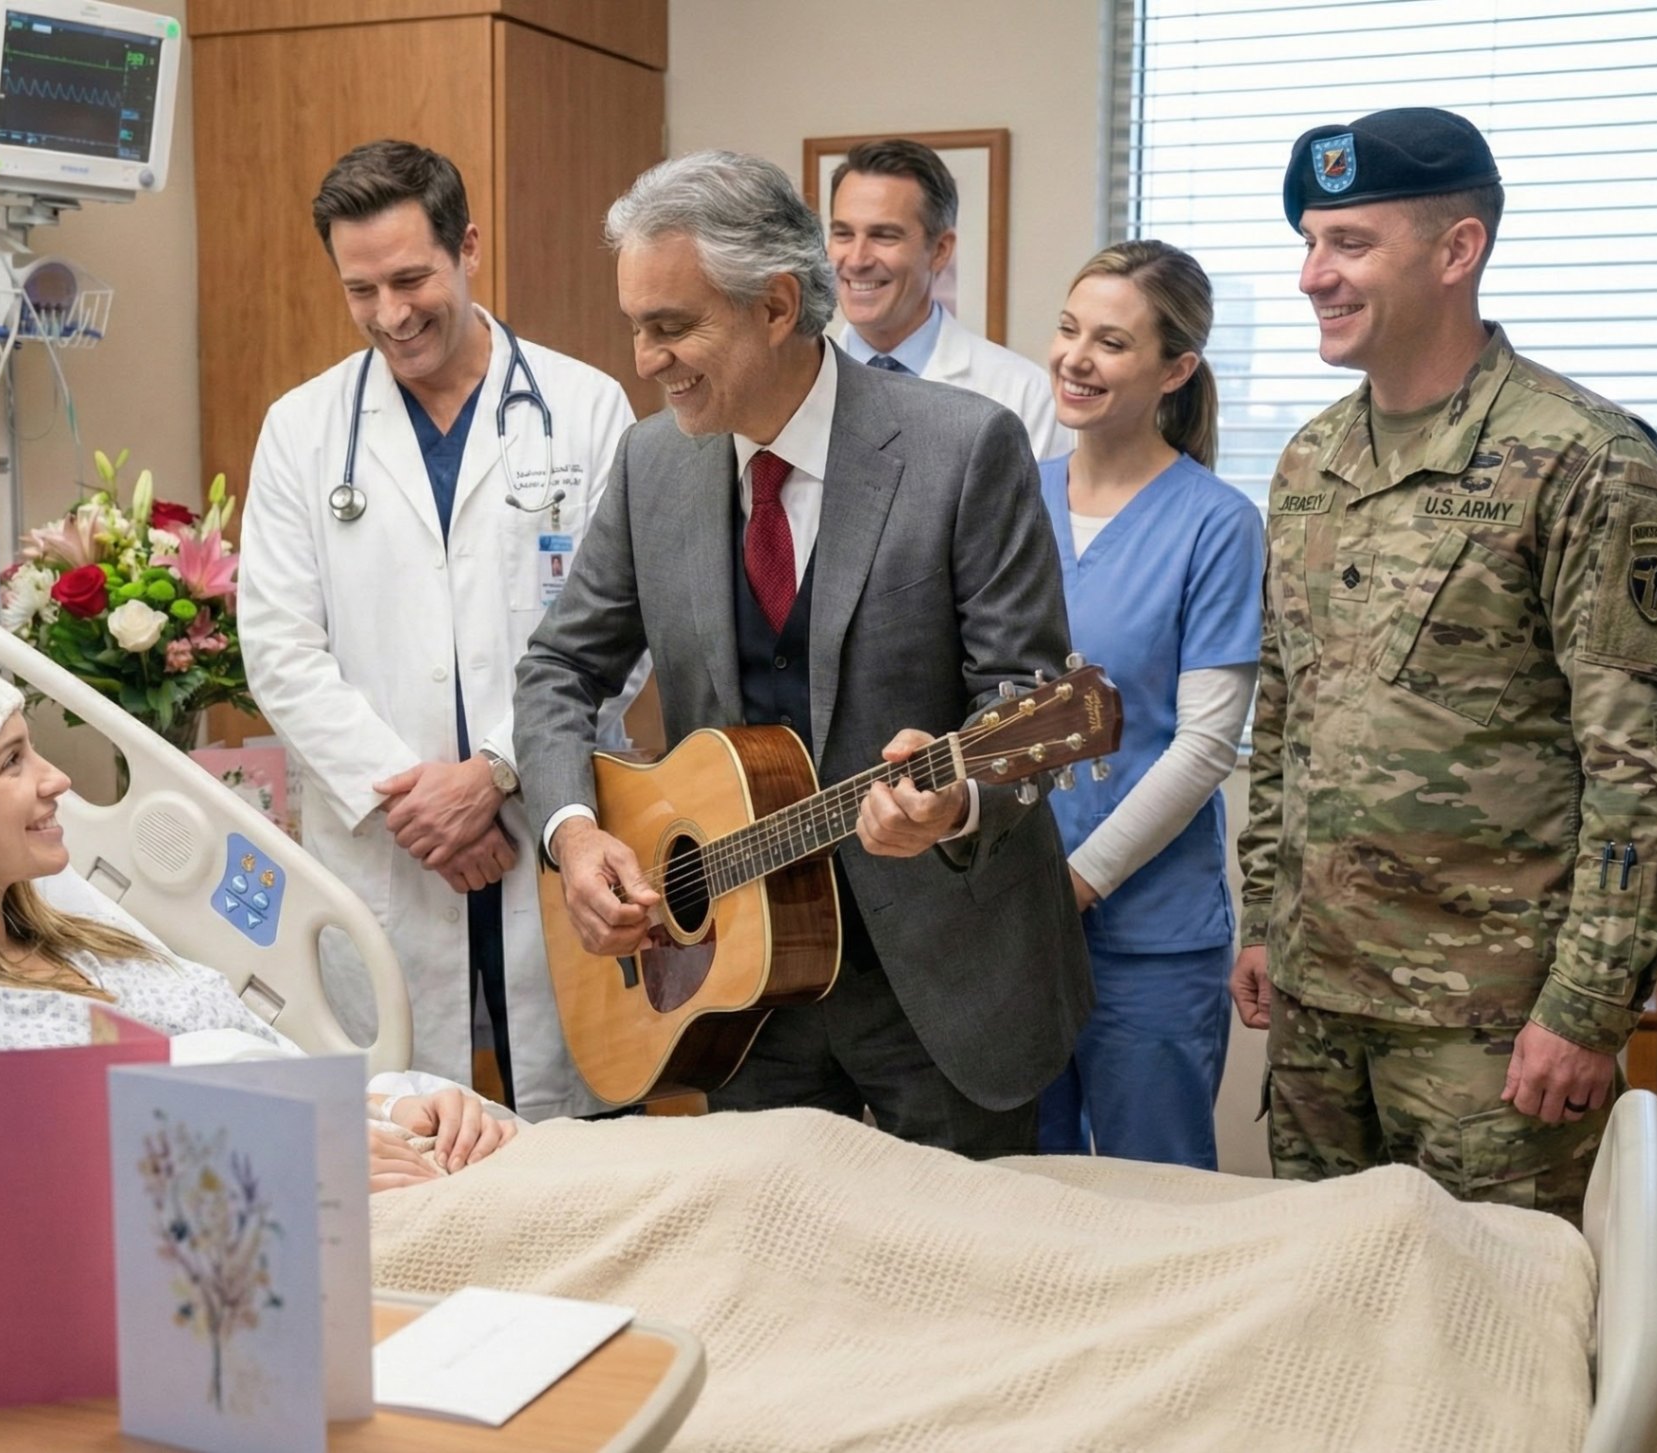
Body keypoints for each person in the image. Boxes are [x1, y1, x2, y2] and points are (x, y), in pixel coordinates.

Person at [512, 151, 1091, 1159]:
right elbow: (558, 670)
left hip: (941, 978)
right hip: (739, 985)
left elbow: (1025, 698)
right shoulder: (653, 463)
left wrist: (955, 799)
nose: (645, 360)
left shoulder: (965, 450)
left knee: (960, 1256)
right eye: (635, 325)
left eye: (671, 325)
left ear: (777, 306)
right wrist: (573, 831)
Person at [1231, 108, 1657, 1221]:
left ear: (1458, 250)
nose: (1312, 275)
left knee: (1492, 1315)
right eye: (1308, 243)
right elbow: (1285, 716)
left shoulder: (1585, 460)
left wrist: (1587, 1006)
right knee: (1322, 1299)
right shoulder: (1310, 460)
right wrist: (1262, 918)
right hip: (1317, 1008)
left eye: (1350, 243)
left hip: (1491, 1031)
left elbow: (1650, 772)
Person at [0, 647, 519, 1238]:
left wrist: (402, 1109)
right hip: (275, 1239)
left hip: (394, 1171)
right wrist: (283, 1162)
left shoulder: (87, 943)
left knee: (583, 1177)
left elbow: (276, 1069)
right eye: (12, 762)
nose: (56, 779)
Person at [238, 141, 638, 1122]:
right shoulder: (302, 430)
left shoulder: (586, 410)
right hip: (393, 847)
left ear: (469, 248)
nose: (390, 314)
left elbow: (624, 633)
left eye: (411, 279)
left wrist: (492, 773)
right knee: (407, 1139)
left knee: (583, 1133)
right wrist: (418, 808)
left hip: (548, 819)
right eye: (360, 290)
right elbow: (280, 651)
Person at [1031, 241, 1262, 1170]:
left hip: (1149, 941)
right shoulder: (1012, 496)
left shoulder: (1218, 523)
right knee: (1012, 1196)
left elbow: (1205, 747)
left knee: (1155, 1206)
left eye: (1112, 342)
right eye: (1069, 330)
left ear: (1176, 369)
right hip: (1010, 929)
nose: (1076, 358)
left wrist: (1075, 883)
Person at [826, 138, 1063, 458]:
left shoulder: (1024, 395)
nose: (856, 260)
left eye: (884, 236)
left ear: (940, 250)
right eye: (843, 234)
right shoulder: (794, 383)